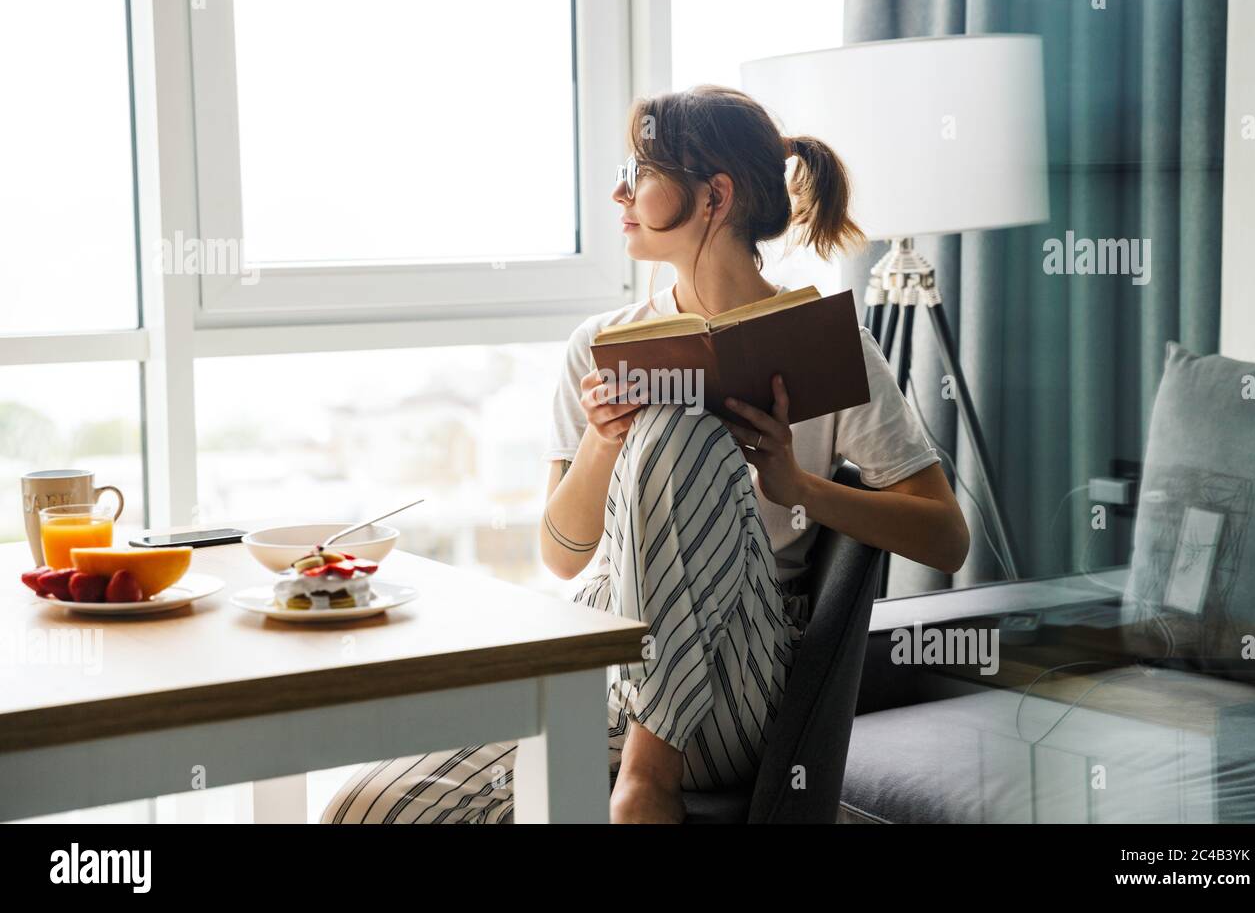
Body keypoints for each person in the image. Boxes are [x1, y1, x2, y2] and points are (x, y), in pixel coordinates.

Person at [322, 85, 969, 824]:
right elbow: (564, 558)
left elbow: (947, 538)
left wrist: (797, 487)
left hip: (741, 674)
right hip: (608, 653)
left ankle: (646, 777)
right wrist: (602, 442)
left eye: (640, 171)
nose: (617, 192)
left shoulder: (828, 347)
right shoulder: (602, 348)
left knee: (679, 426)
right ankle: (637, 762)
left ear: (713, 196)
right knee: (367, 808)